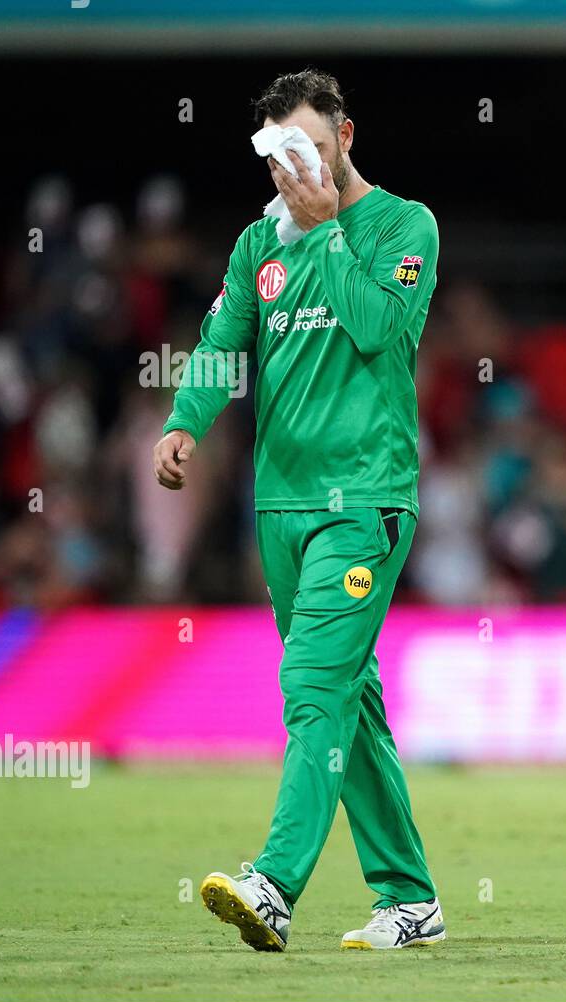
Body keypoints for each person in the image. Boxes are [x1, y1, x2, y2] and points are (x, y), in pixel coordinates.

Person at [153, 69, 444, 951]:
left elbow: (376, 327)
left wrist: (324, 233)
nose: (298, 170)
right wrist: (184, 420)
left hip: (365, 501)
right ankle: (412, 899)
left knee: (313, 685)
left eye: (312, 149)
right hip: (279, 506)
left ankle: (274, 885)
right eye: (282, 156)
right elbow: (221, 340)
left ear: (345, 137)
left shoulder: (405, 226)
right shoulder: (258, 245)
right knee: (349, 702)